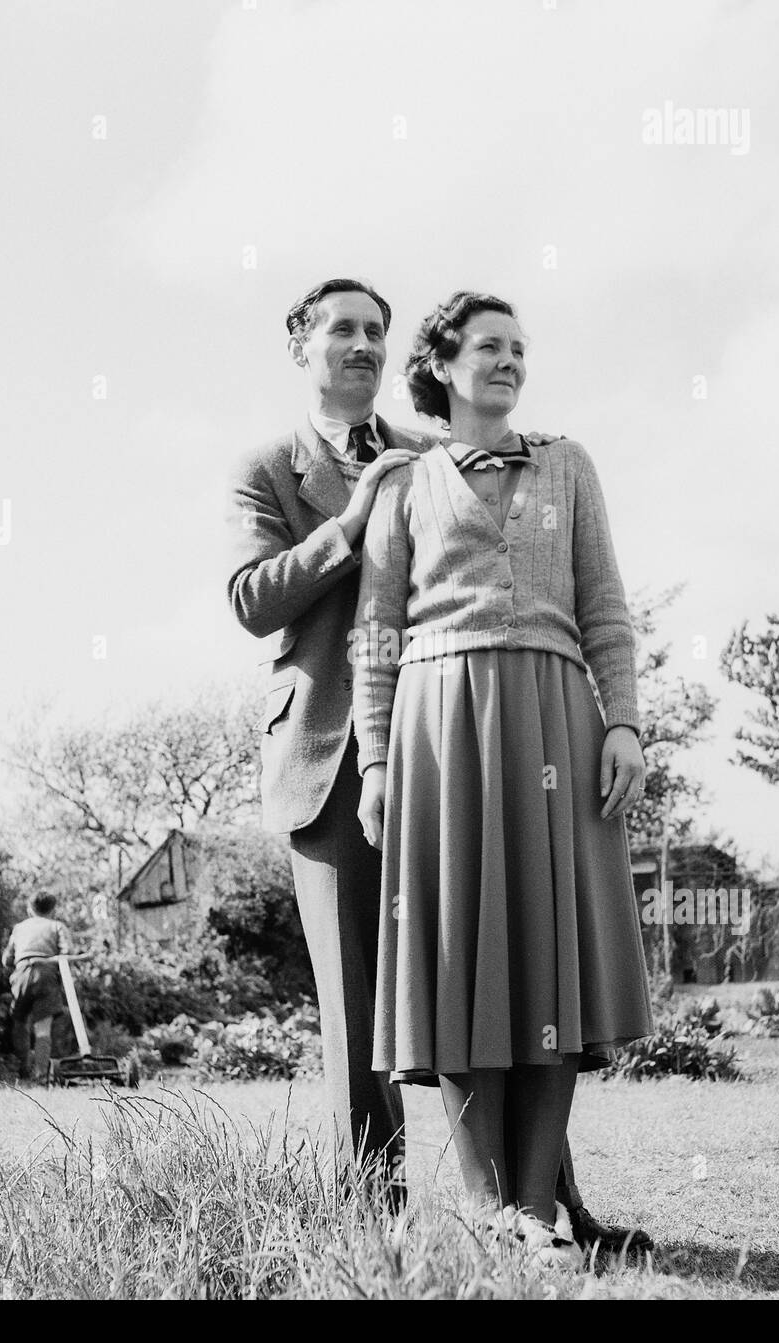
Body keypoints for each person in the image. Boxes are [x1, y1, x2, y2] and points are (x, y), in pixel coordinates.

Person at [227, 277, 648, 1257]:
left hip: (486, 734)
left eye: (377, 328)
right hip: (353, 756)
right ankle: (380, 1230)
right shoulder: (272, 469)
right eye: (342, 330)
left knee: (517, 961)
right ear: (302, 346)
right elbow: (257, 600)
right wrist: (350, 522)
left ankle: (536, 1206)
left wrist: (615, 716)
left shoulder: (448, 457)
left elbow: (574, 586)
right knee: (385, 1004)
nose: (362, 344)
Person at [352, 290, 654, 1266]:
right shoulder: (403, 485)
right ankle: (488, 1209)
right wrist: (376, 761)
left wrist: (625, 728)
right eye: (489, 346)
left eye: (521, 348)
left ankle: (537, 1207)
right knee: (460, 963)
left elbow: (605, 607)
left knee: (549, 954)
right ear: (440, 364)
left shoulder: (570, 465)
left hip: (560, 723)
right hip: (441, 727)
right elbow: (374, 634)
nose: (510, 361)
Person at [2, 890, 86, 1082]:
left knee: (20, 1022)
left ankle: (23, 1068)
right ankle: (40, 1075)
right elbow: (67, 954)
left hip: (21, 974)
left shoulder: (19, 928)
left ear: (30, 909)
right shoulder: (57, 926)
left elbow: (6, 959)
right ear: (53, 909)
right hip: (46, 975)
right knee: (42, 1029)